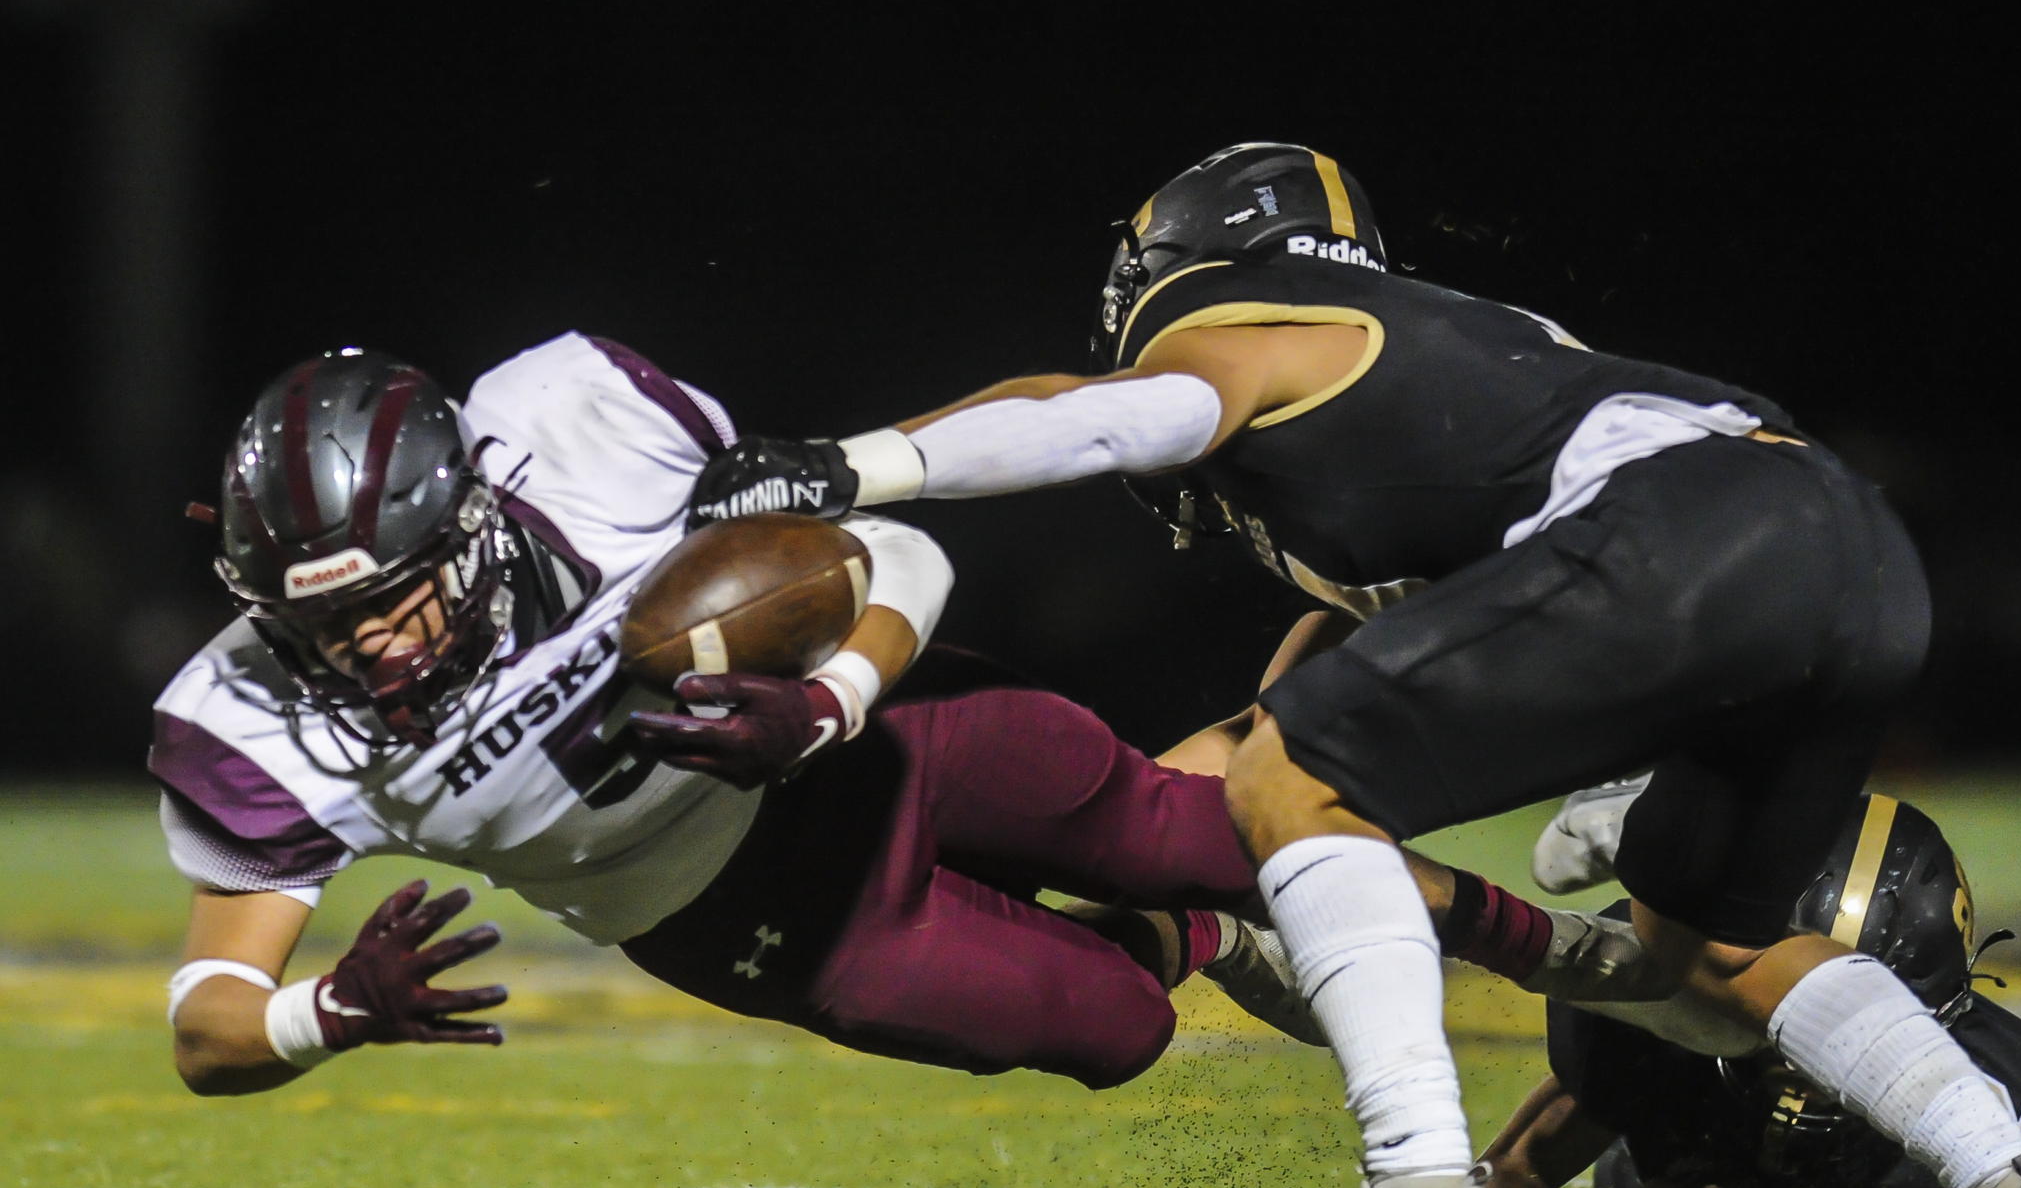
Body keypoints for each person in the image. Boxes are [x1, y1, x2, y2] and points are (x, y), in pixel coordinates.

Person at [681, 142, 2021, 1188]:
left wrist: (857, 463)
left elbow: (1107, 415)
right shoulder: (1440, 414)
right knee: (1723, 949)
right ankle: (2009, 1179)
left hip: (1698, 529)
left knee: (1304, 777)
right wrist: (1144, 901)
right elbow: (1237, 769)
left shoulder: (1241, 320)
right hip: (1848, 553)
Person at [157, 337, 1280, 1104]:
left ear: (465, 522)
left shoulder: (578, 421)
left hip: (866, 746)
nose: (370, 645)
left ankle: (1440, 905)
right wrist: (329, 1012)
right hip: (728, 904)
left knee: (1198, 838)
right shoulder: (251, 720)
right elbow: (207, 1029)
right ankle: (1195, 937)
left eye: (389, 596)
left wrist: (829, 699)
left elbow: (880, 555)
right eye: (324, 621)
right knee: (1121, 1028)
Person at [1481, 791, 2021, 1188]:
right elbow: (1492, 1185)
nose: (1812, 1060)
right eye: (1797, 1000)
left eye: (1864, 1017)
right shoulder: (1658, 1027)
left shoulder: (2017, 1092)